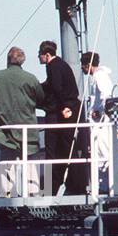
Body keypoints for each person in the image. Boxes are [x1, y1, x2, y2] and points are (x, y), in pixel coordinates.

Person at [0, 46, 46, 197]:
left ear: (8, 59)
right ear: (22, 61)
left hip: (5, 131)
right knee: (29, 163)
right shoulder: (30, 78)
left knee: (7, 164)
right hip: (27, 129)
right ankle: (33, 192)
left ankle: (7, 193)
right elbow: (41, 97)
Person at [37, 41, 82, 195]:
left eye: (40, 55)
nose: (38, 58)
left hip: (64, 111)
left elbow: (56, 87)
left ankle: (57, 187)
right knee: (67, 149)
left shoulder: (53, 66)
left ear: (47, 55)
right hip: (69, 107)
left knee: (58, 150)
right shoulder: (61, 65)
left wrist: (64, 107)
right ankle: (74, 185)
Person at [80, 51, 115, 193]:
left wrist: (99, 113)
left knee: (102, 152)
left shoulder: (99, 76)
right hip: (99, 122)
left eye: (83, 66)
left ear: (88, 65)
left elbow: (106, 96)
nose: (82, 69)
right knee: (100, 153)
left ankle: (105, 186)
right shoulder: (98, 76)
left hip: (101, 123)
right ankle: (103, 185)